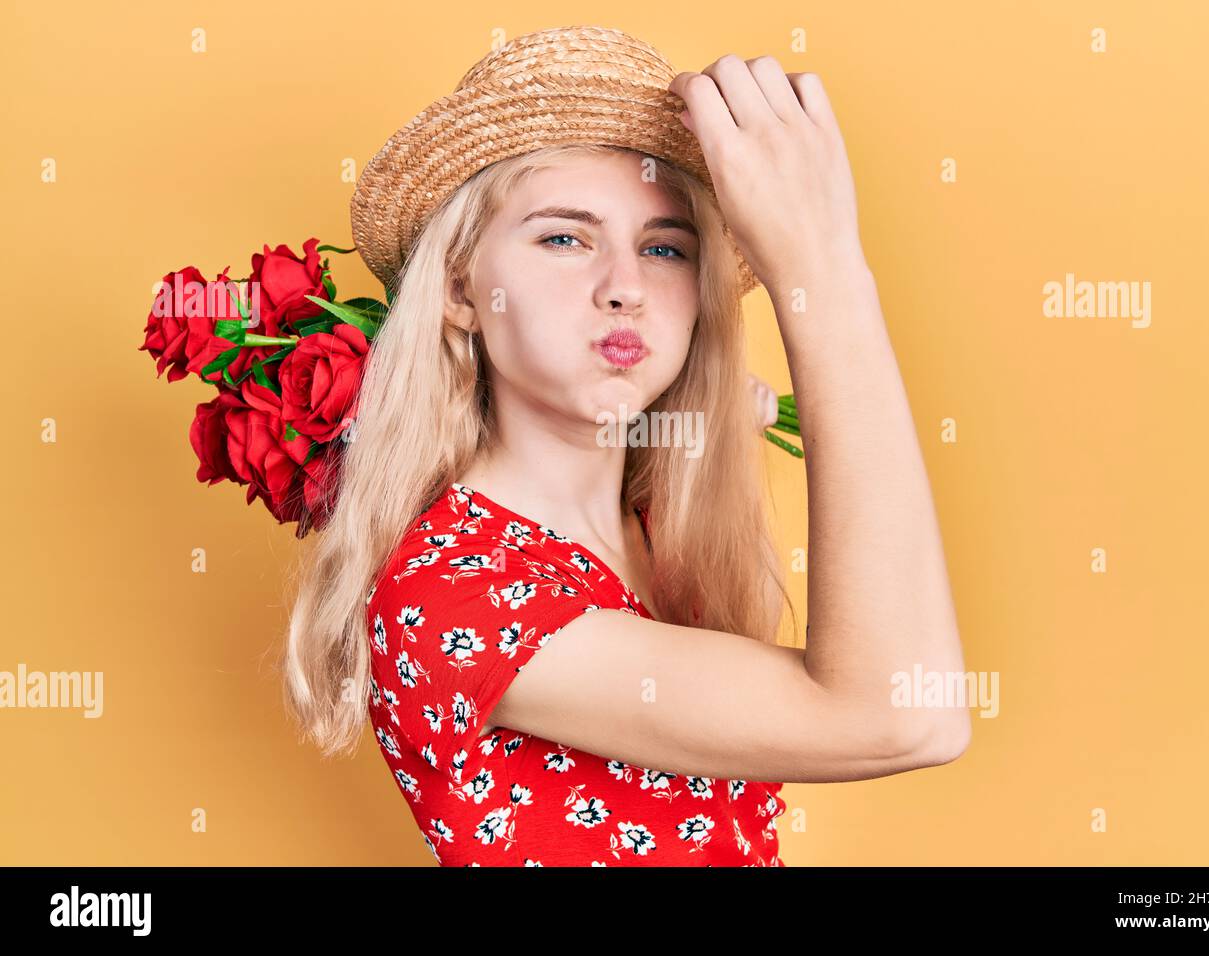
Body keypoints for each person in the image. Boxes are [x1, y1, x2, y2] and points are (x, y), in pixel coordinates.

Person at [282, 26, 969, 867]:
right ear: (461, 288)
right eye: (564, 238)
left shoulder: (654, 533)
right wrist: (821, 270)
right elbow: (907, 713)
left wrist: (702, 435)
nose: (625, 289)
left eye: (664, 248)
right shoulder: (456, 595)